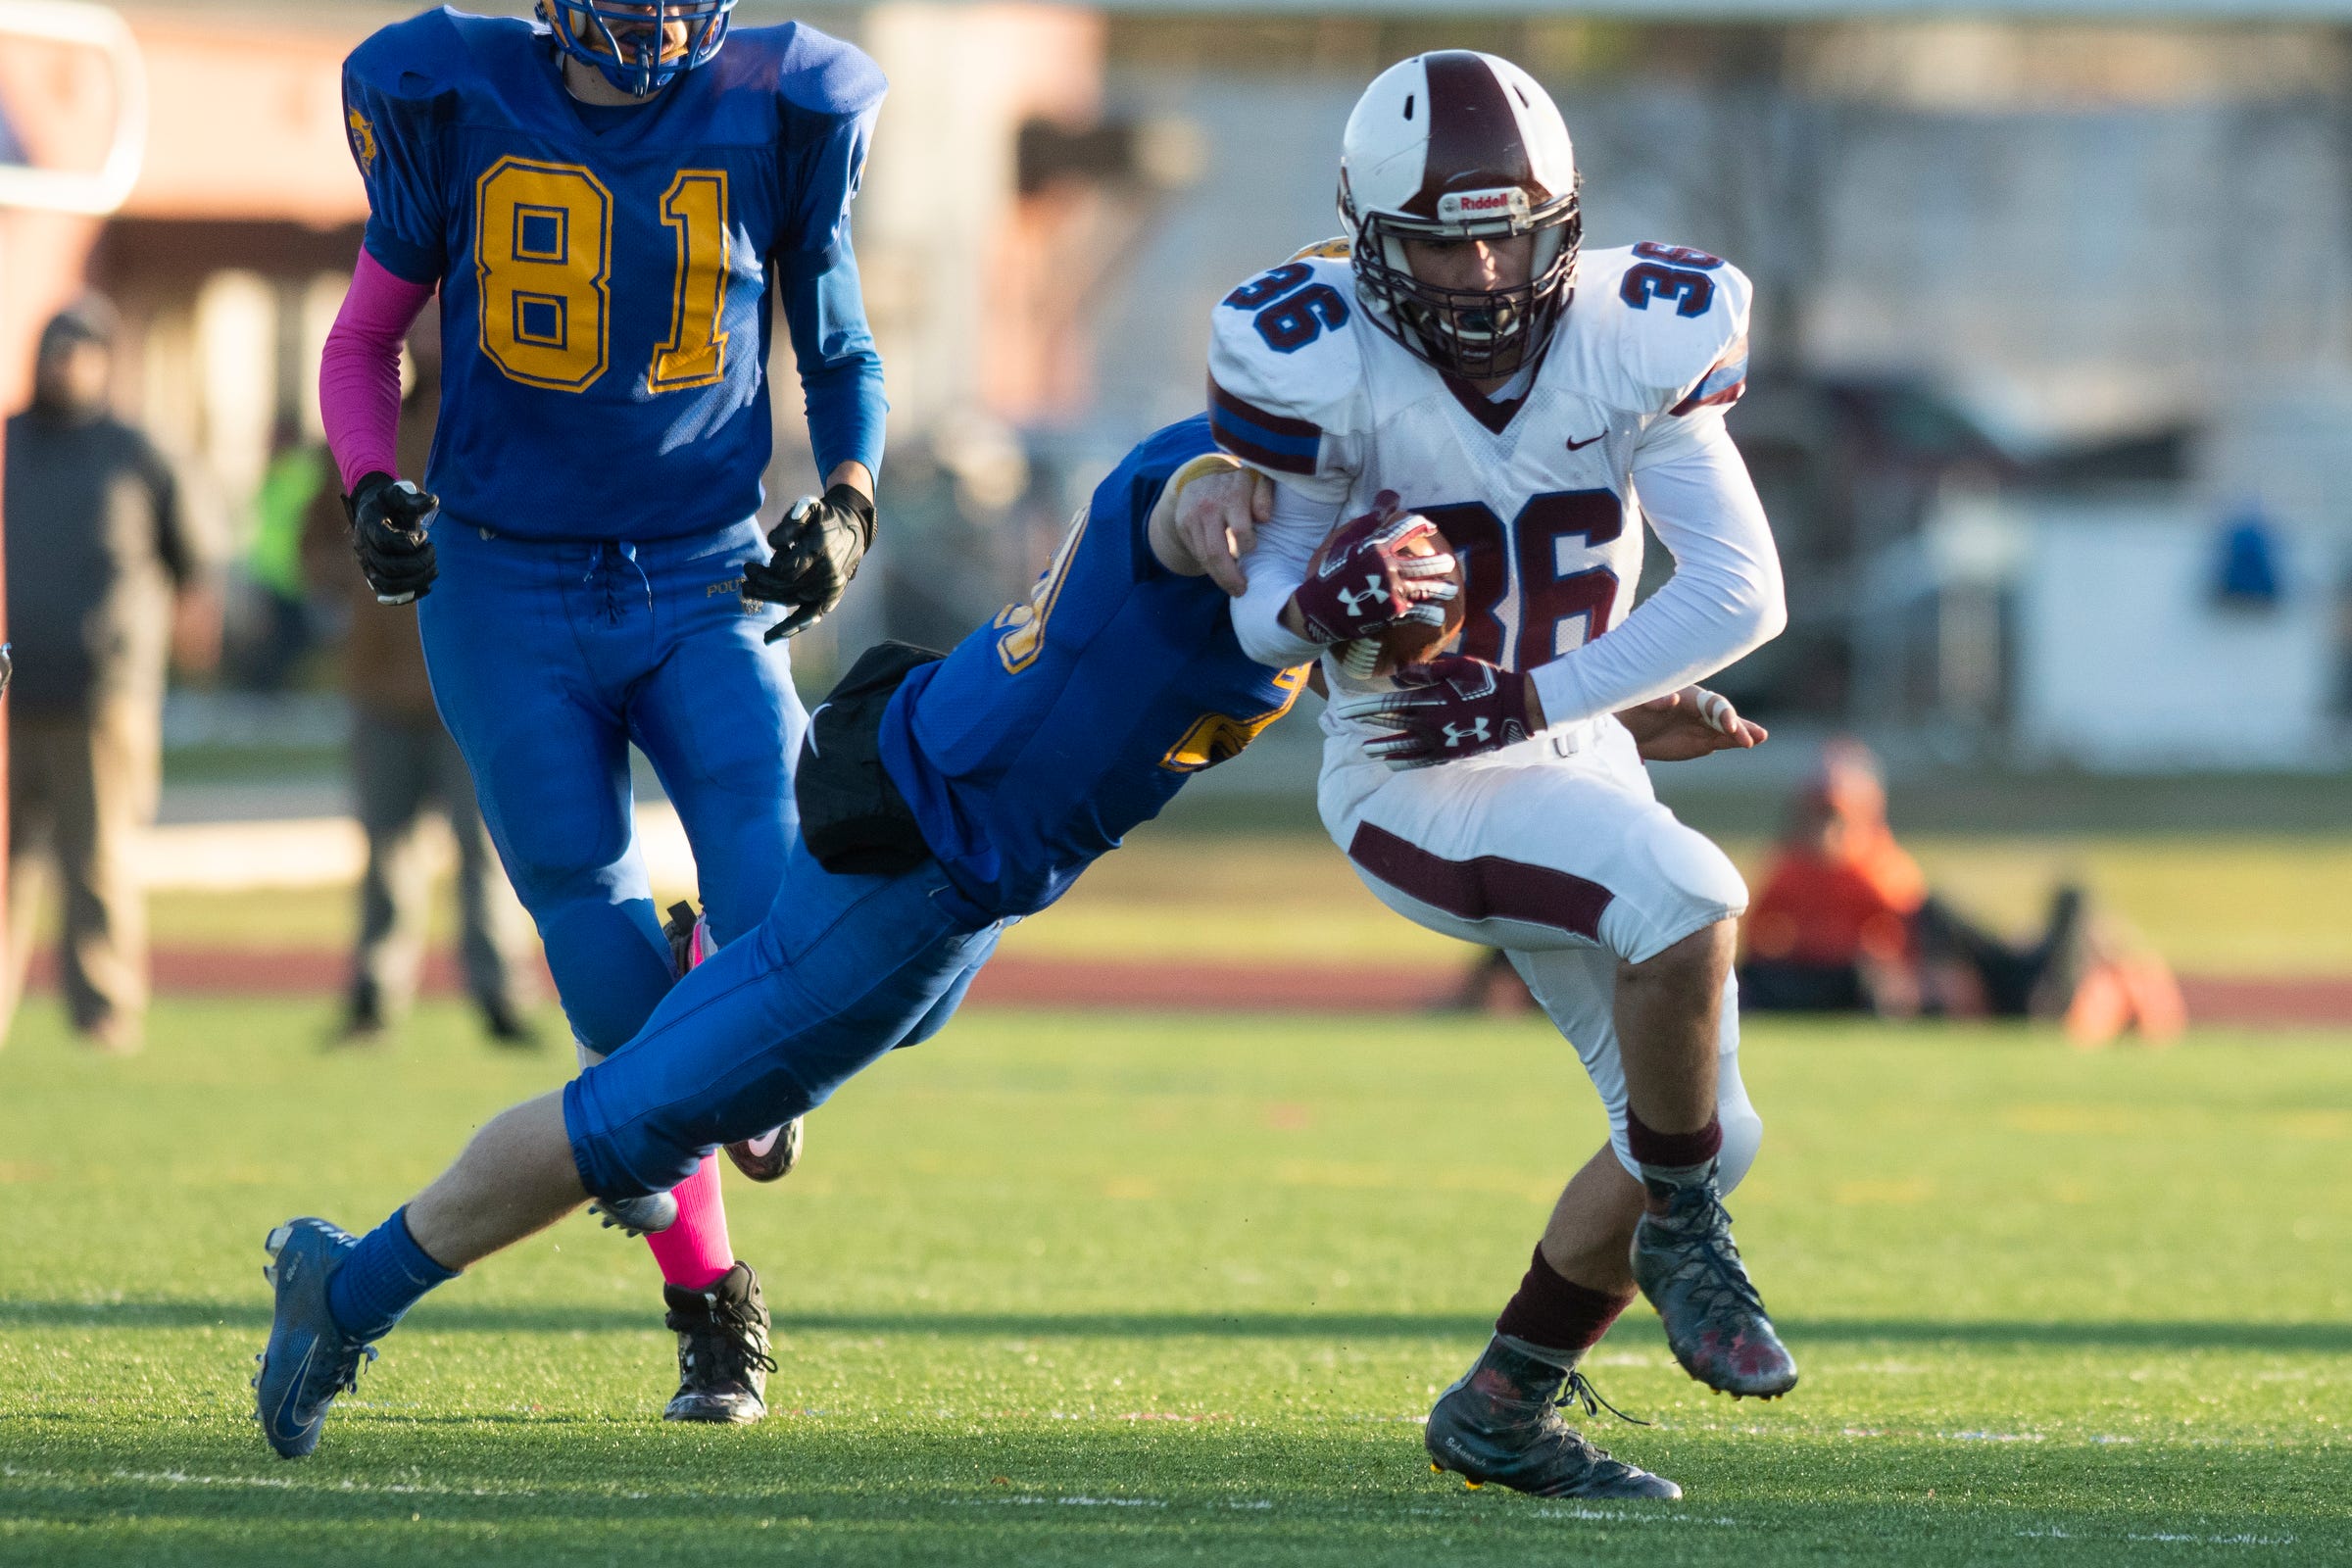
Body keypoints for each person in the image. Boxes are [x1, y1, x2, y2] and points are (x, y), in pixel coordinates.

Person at [250, 417, 1757, 1475]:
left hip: (963, 847)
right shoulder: (1238, 495)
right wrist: (1241, 534)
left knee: (890, 1032)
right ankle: (349, 1283)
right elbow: (1196, 520)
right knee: (636, 1127)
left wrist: (1616, 715)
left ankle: (727, 972)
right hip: (920, 853)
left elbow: (1389, 672)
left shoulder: (1326, 507)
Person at [1185, 52, 1794, 1498]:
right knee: (1693, 898)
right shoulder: (1311, 350)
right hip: (1413, 774)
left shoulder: (1639, 332)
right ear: (1365, 235)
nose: (1477, 270)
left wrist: (1580, 696)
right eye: (1441, 240)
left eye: (1506, 233)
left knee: (1716, 1124)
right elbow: (1257, 608)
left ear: (1561, 222)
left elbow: (1743, 592)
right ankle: (1684, 1237)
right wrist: (1322, 601)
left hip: (1555, 743)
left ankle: (1504, 1404)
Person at [317, 0, 888, 1423]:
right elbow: (361, 342)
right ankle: (711, 1304)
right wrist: (367, 481)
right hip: (504, 585)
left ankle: (717, 984)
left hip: (706, 575)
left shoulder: (785, 101)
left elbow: (840, 347)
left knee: (786, 933)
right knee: (616, 998)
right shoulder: (453, 94)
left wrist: (853, 505)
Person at [302, 327, 539, 1048]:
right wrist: (351, 575)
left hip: (472, 678)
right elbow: (314, 539)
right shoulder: (363, 437)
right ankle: (375, 992)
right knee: (385, 849)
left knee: (486, 847)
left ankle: (498, 993)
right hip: (381, 680)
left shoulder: (498, 430)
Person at [2, 299, 222, 1054]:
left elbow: (193, 560)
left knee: (96, 858)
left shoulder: (134, 450)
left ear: (106, 360)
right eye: (54, 348)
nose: (64, 363)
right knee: (7, 867)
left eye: (80, 350)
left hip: (104, 689)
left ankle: (103, 1012)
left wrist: (197, 633)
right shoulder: (11, 443)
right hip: (12, 691)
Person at [1740, 740, 2184, 1043]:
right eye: (1815, 814)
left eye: (1832, 816)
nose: (1822, 830)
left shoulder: (1881, 872)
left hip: (2031, 1003)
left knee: (2052, 923)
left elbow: (1917, 957)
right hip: (2007, 998)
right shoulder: (1791, 868)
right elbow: (1759, 945)